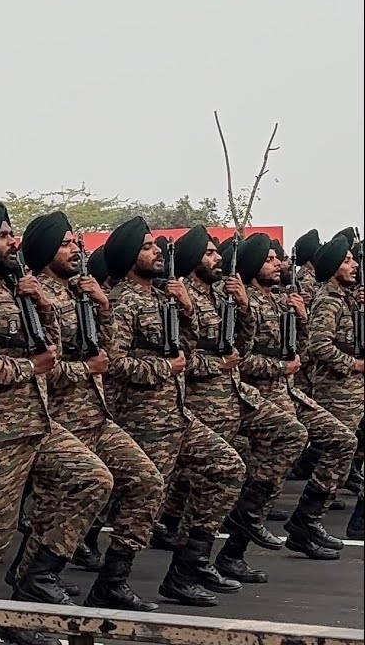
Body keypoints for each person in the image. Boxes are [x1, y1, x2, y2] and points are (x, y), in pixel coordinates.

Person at [0, 203, 112, 645]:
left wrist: (42, 305)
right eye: (2, 236)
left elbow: (49, 353)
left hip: (37, 423)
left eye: (12, 235)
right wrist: (28, 369)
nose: (13, 242)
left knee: (94, 479)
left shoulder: (13, 288)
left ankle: (35, 578)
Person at [14, 212, 163, 612]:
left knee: (147, 482)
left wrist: (104, 308)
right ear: (46, 250)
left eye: (75, 243)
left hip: (96, 417)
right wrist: (86, 368)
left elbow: (107, 356)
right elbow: (43, 368)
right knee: (51, 511)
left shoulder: (81, 292)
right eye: (65, 244)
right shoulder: (32, 298)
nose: (76, 250)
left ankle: (112, 581)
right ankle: (33, 583)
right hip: (58, 420)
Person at [103, 218, 245, 607]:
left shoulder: (162, 298)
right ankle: (112, 581)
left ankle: (187, 569)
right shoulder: (121, 302)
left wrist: (185, 311)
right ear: (131, 256)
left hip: (177, 414)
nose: (157, 253)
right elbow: (113, 363)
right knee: (145, 499)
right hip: (144, 419)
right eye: (148, 247)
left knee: (227, 469)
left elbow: (186, 348)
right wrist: (165, 369)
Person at [170, 227, 307, 585]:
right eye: (209, 253)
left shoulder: (222, 296)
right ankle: (189, 564)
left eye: (217, 253)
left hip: (235, 397)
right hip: (202, 404)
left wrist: (244, 310)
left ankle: (245, 521)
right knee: (200, 484)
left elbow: (236, 348)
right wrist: (219, 362)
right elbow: (184, 357)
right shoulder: (180, 298)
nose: (217, 260)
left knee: (291, 434)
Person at [237, 233, 356, 559]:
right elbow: (240, 359)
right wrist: (281, 366)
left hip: (287, 394)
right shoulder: (244, 303)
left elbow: (300, 352)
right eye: (270, 259)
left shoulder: (277, 299)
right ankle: (230, 551)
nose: (279, 264)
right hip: (258, 397)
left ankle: (305, 521)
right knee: (268, 470)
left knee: (342, 441)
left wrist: (301, 322)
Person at [301, 235, 364, 538]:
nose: (354, 265)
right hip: (338, 391)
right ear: (333, 266)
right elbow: (319, 346)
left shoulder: (345, 298)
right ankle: (308, 520)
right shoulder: (328, 301)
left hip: (354, 389)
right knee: (336, 454)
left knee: (345, 454)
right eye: (348, 260)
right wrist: (355, 364)